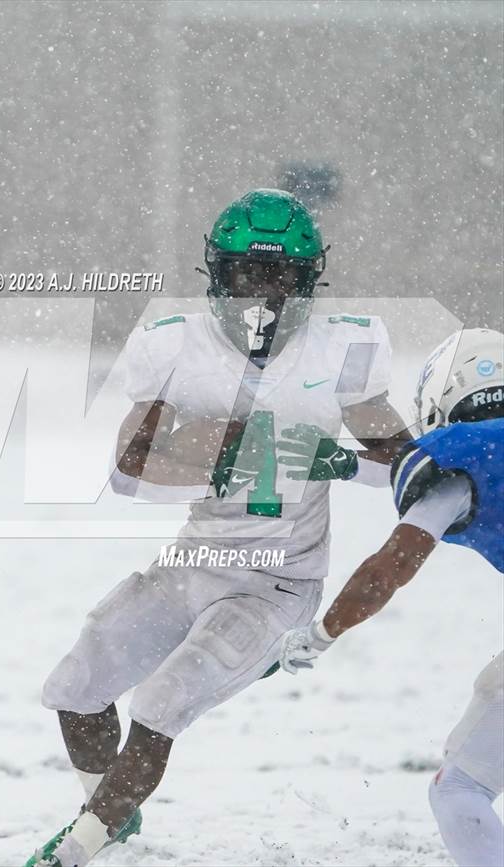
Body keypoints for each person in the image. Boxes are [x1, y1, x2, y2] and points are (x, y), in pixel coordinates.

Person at [25, 189, 410, 867]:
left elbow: (406, 465)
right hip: (193, 563)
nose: (264, 293)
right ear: (217, 273)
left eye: (281, 275)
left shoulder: (342, 350)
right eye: (248, 273)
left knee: (160, 702)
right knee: (75, 685)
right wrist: (223, 452)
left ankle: (78, 849)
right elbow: (126, 472)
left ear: (309, 280)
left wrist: (342, 460)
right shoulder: (176, 346)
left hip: (276, 583)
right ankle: (113, 815)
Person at [280, 328, 504, 867]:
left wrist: (321, 633)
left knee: (460, 788)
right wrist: (351, 463)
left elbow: (390, 567)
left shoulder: (468, 458)